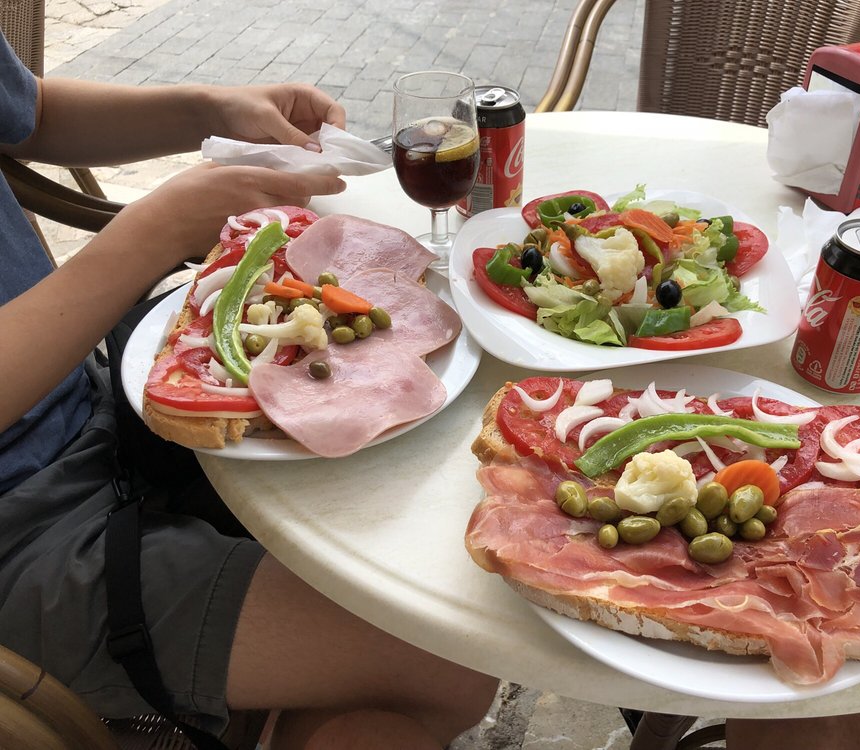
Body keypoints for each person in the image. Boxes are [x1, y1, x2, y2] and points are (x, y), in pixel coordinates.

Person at [0, 30, 498, 749]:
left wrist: (208, 108)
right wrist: (157, 229)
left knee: (414, 640)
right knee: (450, 661)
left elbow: (30, 113)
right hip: (25, 528)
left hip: (91, 400)